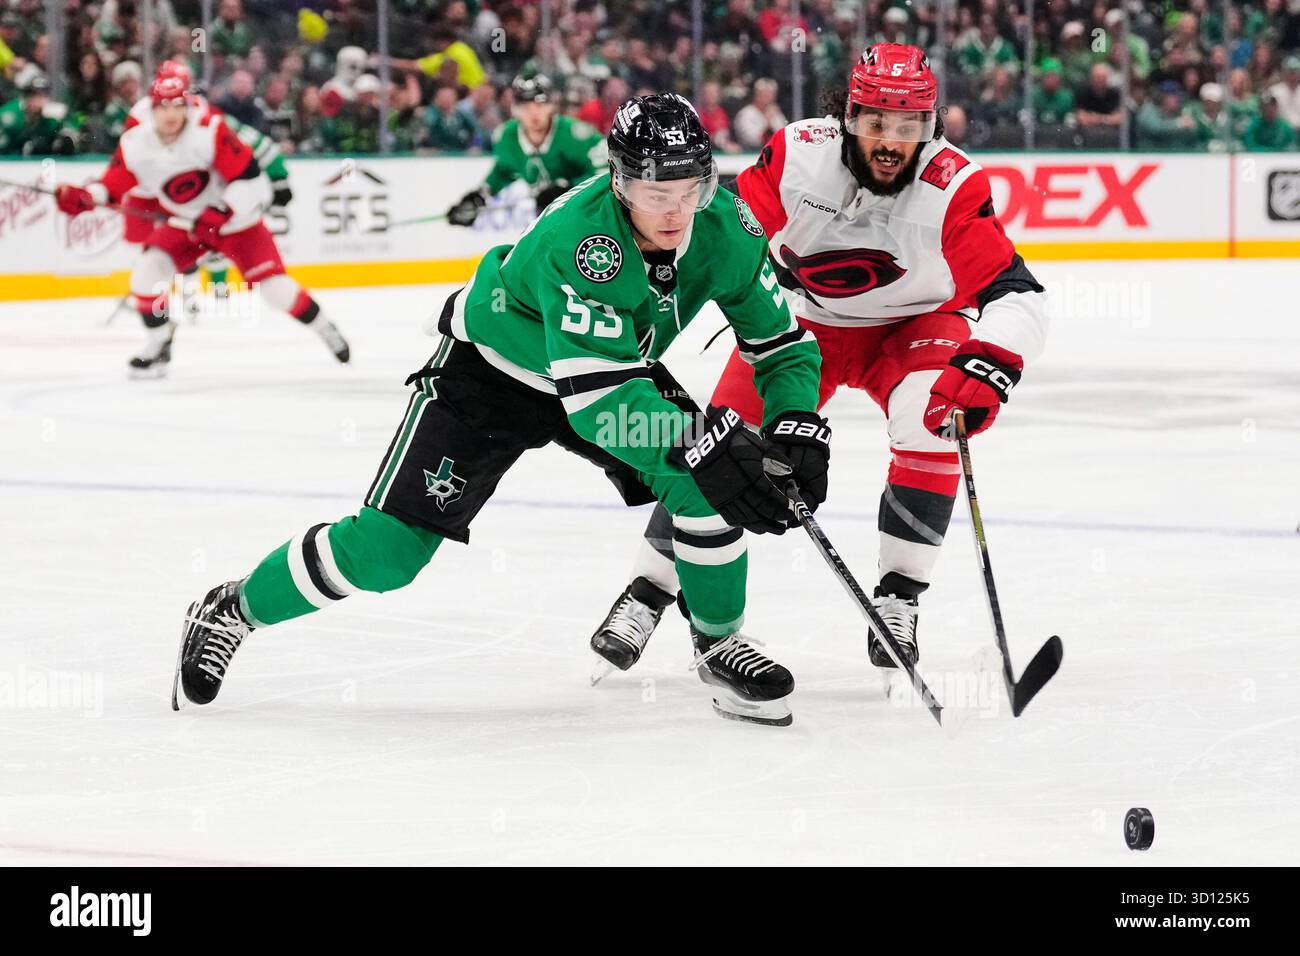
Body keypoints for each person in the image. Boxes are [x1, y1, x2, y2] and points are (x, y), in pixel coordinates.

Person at [170, 93, 828, 728]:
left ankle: (717, 645)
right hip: (494, 372)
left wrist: (796, 418)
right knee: (387, 556)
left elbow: (780, 345)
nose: (677, 211)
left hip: (610, 367)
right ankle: (231, 610)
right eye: (658, 195)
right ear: (620, 183)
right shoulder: (582, 240)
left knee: (701, 479)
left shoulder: (728, 228)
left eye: (691, 190)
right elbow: (601, 409)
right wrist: (698, 441)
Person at [589, 44, 1048, 687]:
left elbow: (1017, 295)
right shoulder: (797, 156)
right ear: (847, 114)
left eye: (909, 126)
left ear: (932, 125)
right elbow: (720, 235)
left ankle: (900, 594)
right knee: (720, 445)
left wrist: (990, 364)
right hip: (799, 328)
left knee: (931, 420)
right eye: (876, 124)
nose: (891, 142)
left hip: (916, 327)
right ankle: (649, 590)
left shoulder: (954, 185)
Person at [53, 70, 349, 377]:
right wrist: (85, 197)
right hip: (186, 224)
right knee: (146, 274)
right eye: (163, 107)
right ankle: (159, 345)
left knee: (277, 291)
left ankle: (325, 328)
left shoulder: (209, 129)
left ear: (187, 106)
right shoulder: (135, 143)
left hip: (238, 224)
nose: (171, 114)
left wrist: (219, 213)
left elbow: (248, 178)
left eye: (177, 106)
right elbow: (112, 185)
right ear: (152, 109)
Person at [445, 72, 607, 227]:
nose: (534, 113)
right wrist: (479, 198)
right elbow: (503, 171)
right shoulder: (506, 137)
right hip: (554, 219)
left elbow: (607, 173)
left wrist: (570, 189)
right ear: (515, 109)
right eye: (525, 106)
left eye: (540, 105)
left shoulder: (577, 135)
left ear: (551, 106)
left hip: (593, 213)